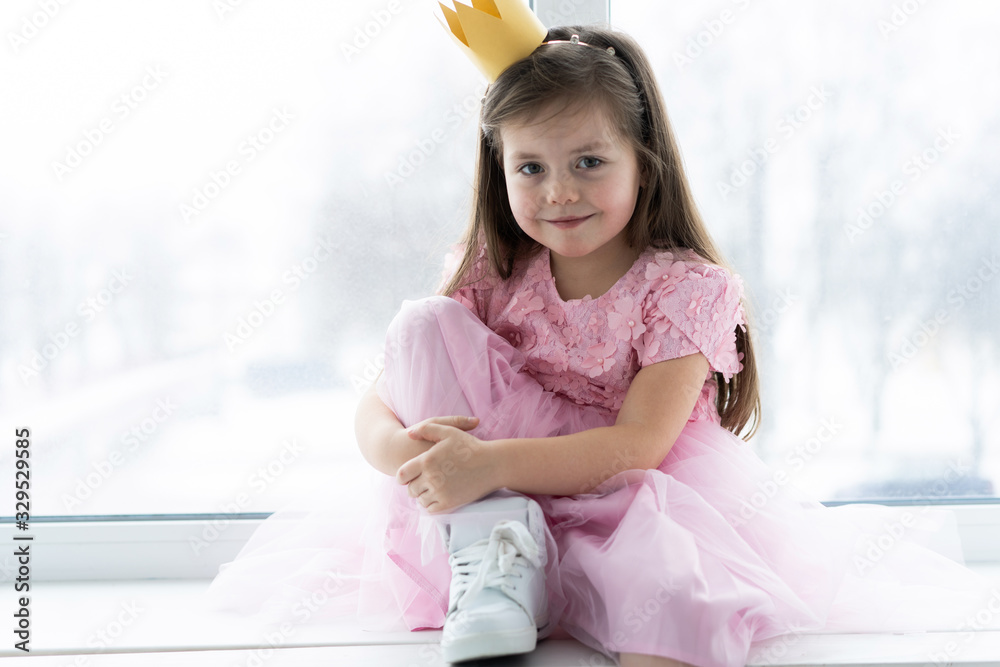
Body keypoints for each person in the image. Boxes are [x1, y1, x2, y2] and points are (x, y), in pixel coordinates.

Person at [209, 22, 999, 667]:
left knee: (678, 590)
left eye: (589, 162)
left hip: (621, 491)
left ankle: (559, 575)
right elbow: (378, 399)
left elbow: (640, 443)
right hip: (495, 497)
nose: (558, 191)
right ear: (501, 170)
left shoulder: (684, 288)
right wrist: (415, 461)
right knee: (422, 325)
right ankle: (492, 559)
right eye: (531, 166)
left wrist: (485, 463)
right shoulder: (494, 268)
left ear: (643, 166)